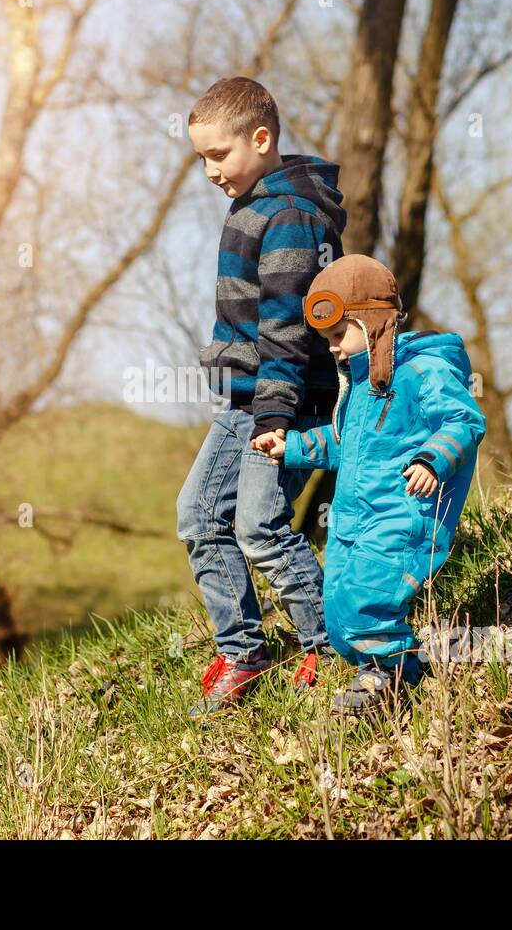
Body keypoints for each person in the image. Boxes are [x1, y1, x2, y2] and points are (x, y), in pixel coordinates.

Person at [177, 76, 347, 717]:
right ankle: (245, 650)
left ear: (262, 138)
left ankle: (334, 645)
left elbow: (287, 331)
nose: (210, 171)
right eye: (201, 159)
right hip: (248, 399)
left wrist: (275, 418)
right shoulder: (255, 205)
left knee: (259, 526)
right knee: (198, 517)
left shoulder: (290, 216)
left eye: (218, 155)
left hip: (288, 401)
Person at [253, 254, 486, 714]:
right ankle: (392, 665)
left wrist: (431, 459)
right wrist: (293, 447)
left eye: (339, 336)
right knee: (338, 610)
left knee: (365, 602)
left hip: (402, 514)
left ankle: (390, 677)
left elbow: (464, 419)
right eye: (327, 341)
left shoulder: (422, 371)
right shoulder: (359, 388)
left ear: (372, 321)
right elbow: (344, 443)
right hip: (351, 520)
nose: (333, 349)